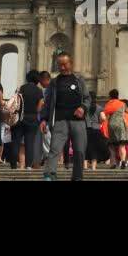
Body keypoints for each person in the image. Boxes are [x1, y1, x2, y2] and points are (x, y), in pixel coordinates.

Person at [39, 53, 91, 181]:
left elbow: (87, 98)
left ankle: (77, 177)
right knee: (55, 148)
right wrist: (44, 119)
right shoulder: (54, 82)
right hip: (60, 121)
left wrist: (83, 108)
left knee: (79, 150)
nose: (62, 67)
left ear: (70, 64)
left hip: (78, 121)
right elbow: (48, 101)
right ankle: (49, 175)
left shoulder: (79, 80)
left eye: (64, 64)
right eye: (59, 65)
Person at [12, 70, 44, 170]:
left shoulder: (22, 88)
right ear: (37, 79)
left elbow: (17, 103)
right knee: (29, 142)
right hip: (32, 119)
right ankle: (28, 165)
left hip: (20, 118)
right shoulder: (39, 91)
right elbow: (40, 106)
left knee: (16, 141)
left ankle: (13, 163)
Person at [101, 90, 128, 169]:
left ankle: (113, 163)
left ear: (110, 96)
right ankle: (123, 161)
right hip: (121, 125)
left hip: (111, 125)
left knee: (112, 145)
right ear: (118, 95)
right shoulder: (122, 104)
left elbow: (105, 113)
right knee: (122, 145)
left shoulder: (108, 104)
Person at [85, 92, 106, 171]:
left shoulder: (85, 107)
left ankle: (85, 166)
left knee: (85, 147)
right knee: (94, 148)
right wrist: (99, 122)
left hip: (86, 128)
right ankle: (93, 167)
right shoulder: (99, 107)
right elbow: (103, 118)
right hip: (96, 129)